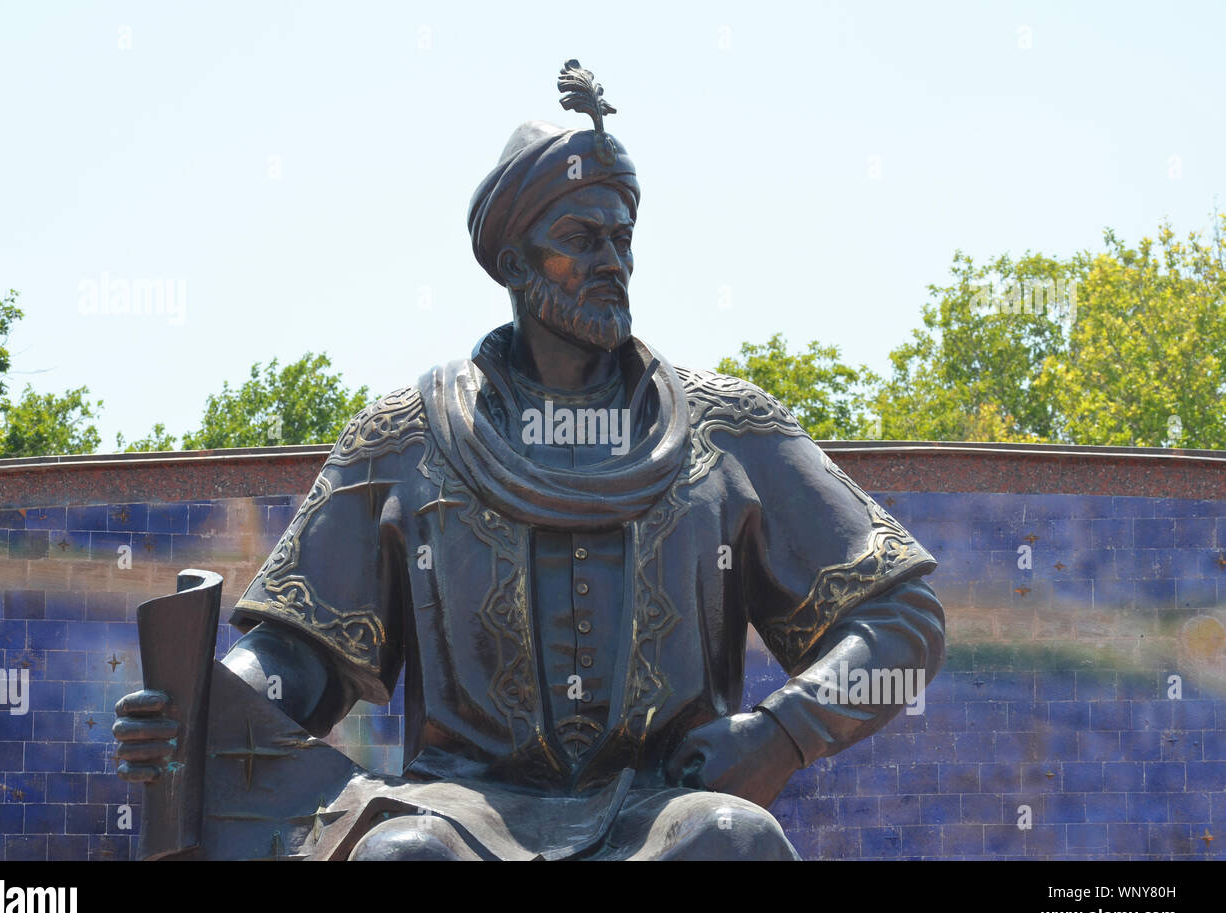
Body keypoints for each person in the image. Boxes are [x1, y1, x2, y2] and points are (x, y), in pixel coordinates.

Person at [115, 60, 944, 861]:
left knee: (732, 841)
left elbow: (902, 621)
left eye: (622, 238)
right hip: (458, 811)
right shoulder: (404, 440)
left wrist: (779, 734)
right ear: (512, 261)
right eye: (580, 239)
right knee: (402, 855)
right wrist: (199, 709)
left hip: (664, 805)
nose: (612, 261)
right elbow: (303, 657)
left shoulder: (730, 431)